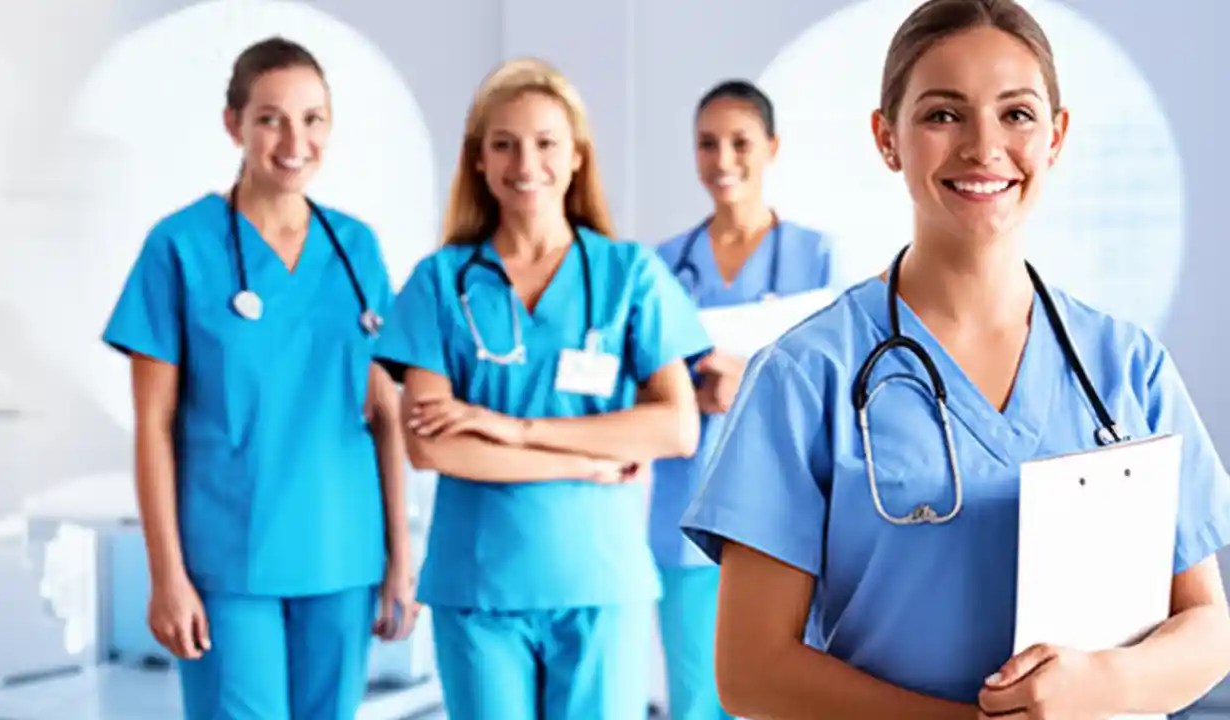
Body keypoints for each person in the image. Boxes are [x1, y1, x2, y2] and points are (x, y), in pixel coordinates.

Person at [680, 0, 1230, 717]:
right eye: (943, 114)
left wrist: (1101, 687)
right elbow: (752, 670)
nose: (983, 146)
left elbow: (1209, 630)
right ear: (887, 138)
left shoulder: (1127, 366)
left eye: (1017, 114)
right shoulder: (805, 374)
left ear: (1056, 137)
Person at [373, 57, 711, 720]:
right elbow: (433, 448)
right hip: (478, 586)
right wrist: (589, 457)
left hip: (600, 582)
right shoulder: (442, 281)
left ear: (577, 156)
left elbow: (675, 427)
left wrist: (511, 426)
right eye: (503, 144)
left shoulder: (627, 274)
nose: (525, 163)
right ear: (478, 160)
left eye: (546, 143)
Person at [102, 37, 417, 719]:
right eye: (271, 118)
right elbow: (153, 426)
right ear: (233, 125)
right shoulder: (179, 246)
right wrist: (166, 575)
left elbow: (386, 416)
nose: (294, 139)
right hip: (228, 559)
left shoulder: (356, 246)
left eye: (314, 118)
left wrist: (401, 555)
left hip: (343, 552)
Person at [649, 79, 833, 720]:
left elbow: (840, 379)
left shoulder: (816, 256)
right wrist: (686, 391)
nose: (722, 160)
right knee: (697, 697)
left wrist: (750, 376)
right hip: (686, 505)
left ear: (772, 147)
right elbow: (640, 378)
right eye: (707, 144)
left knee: (784, 699)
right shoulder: (663, 265)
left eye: (739, 142)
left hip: (784, 513)